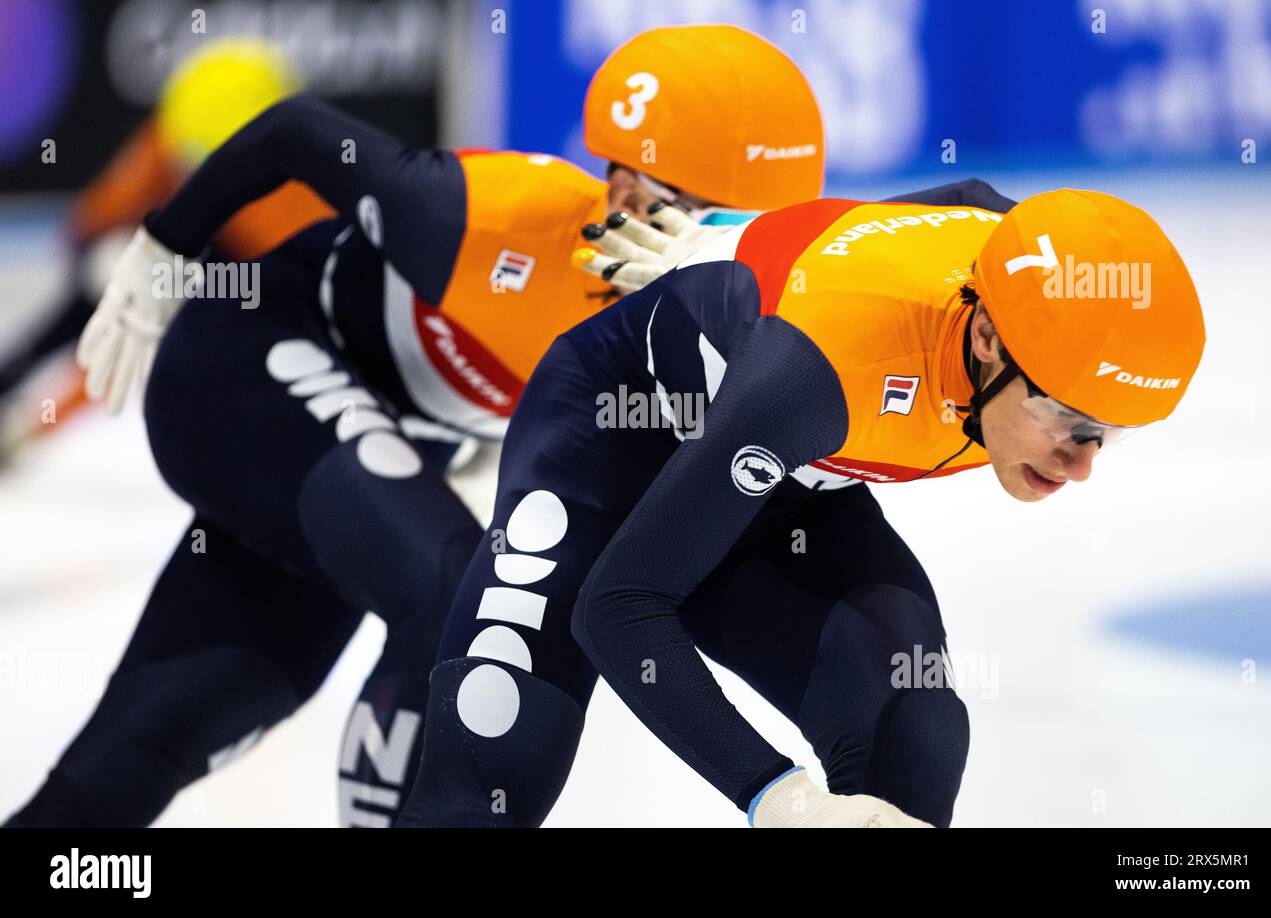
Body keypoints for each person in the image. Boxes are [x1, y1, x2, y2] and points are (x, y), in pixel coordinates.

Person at [8, 24, 857, 828]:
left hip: (339, 454)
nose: (624, 204)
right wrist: (164, 247)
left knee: (160, 732)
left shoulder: (755, 322)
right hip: (247, 362)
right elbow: (296, 133)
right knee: (458, 592)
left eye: (742, 234)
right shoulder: (492, 220)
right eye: (623, 176)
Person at [394, 189, 1205, 828]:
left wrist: (731, 235)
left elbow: (949, 200)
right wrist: (780, 801)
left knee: (912, 737)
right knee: (483, 782)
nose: (1082, 463)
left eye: (1113, 435)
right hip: (609, 445)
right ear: (988, 337)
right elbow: (619, 607)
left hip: (781, 488)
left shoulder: (1011, 256)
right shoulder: (818, 370)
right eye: (1068, 419)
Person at [0, 39, 331, 455]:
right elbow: (106, 208)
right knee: (105, 296)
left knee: (139, 327)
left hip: (254, 274)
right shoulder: (183, 124)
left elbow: (291, 282)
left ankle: (30, 427)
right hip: (204, 256)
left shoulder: (287, 208)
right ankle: (18, 402)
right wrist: (93, 242)